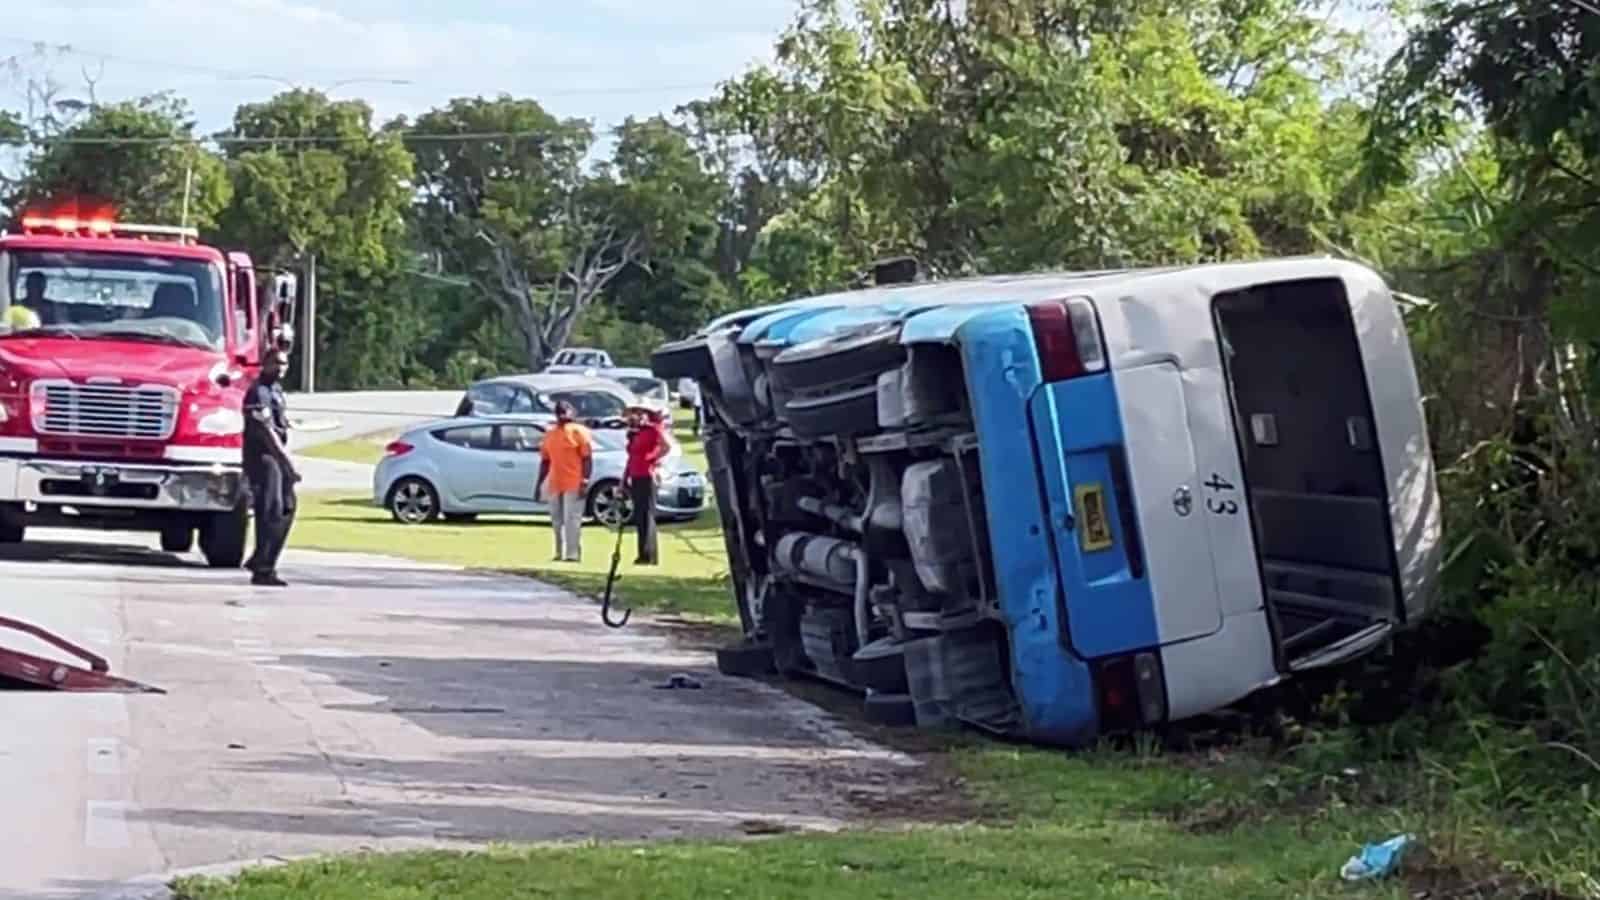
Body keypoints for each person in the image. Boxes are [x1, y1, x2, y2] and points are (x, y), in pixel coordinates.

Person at [242, 350, 299, 587]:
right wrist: (286, 462)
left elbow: (276, 422)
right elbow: (265, 431)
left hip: (276, 457)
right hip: (263, 458)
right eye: (276, 362)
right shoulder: (258, 391)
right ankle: (263, 568)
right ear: (265, 363)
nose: (281, 367)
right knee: (271, 510)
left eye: (284, 363)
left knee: (287, 506)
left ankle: (261, 558)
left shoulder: (276, 390)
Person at [536, 400, 593, 562]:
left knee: (572, 519)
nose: (562, 414)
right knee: (556, 520)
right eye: (559, 411)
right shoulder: (550, 434)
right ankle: (559, 551)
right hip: (555, 482)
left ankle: (572, 553)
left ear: (572, 413)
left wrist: (585, 480)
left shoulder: (579, 432)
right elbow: (545, 461)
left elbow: (587, 458)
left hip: (574, 482)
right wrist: (539, 484)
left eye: (565, 410)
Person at [624, 406, 670, 566]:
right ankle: (642, 552)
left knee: (647, 514)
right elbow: (630, 457)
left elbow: (666, 447)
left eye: (639, 414)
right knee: (639, 515)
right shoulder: (635, 433)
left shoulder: (652, 430)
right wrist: (623, 479)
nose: (635, 417)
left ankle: (649, 554)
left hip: (647, 474)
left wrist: (652, 458)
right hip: (636, 474)